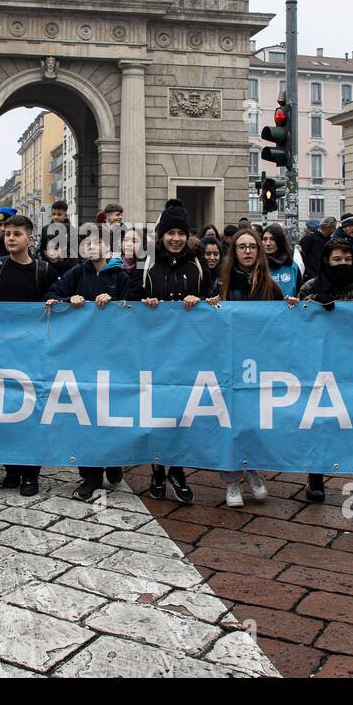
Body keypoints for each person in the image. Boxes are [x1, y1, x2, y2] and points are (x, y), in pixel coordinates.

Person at [125, 201, 212, 504]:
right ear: (161, 236)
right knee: (159, 412)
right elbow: (131, 302)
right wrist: (145, 303)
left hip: (189, 353)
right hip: (155, 352)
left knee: (184, 413)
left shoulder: (197, 264)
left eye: (181, 233)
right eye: (170, 233)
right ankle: (158, 469)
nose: (176, 238)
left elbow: (213, 303)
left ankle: (177, 470)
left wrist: (198, 301)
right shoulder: (145, 264)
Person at [46, 225, 131, 500]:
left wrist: (116, 301)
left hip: (114, 355)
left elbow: (135, 308)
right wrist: (68, 299)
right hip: (81, 355)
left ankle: (115, 461)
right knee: (85, 414)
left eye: (98, 243)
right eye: (87, 243)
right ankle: (90, 476)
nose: (92, 247)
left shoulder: (121, 276)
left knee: (112, 411)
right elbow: (51, 295)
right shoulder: (76, 272)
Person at [0, 214, 55, 496]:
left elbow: (55, 303)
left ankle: (30, 472)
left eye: (16, 234)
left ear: (29, 239)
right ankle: (11, 468)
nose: (10, 238)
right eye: (7, 233)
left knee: (31, 412)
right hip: (1, 352)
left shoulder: (43, 270)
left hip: (33, 353)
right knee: (5, 409)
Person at [296, 238, 353, 506]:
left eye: (346, 259)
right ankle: (315, 479)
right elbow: (297, 321)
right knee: (319, 423)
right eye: (336, 259)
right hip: (320, 368)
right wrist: (314, 303)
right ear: (325, 262)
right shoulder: (311, 286)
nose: (342, 263)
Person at [213, 228, 282, 507]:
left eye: (252, 246)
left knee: (252, 421)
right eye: (242, 247)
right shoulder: (221, 283)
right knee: (229, 420)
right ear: (235, 252)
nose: (247, 251)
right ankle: (231, 481)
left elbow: (281, 324)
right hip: (227, 360)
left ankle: (251, 469)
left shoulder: (271, 286)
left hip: (258, 362)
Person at [261, 224, 302, 297]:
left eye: (272, 239)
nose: (268, 243)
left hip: (288, 308)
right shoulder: (256, 264)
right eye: (264, 239)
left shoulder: (293, 265)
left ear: (280, 241)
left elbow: (300, 292)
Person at [298, 216, 337, 280]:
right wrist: (308, 273)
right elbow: (301, 257)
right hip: (310, 277)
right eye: (332, 228)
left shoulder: (330, 241)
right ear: (326, 227)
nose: (333, 230)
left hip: (324, 277)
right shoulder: (310, 238)